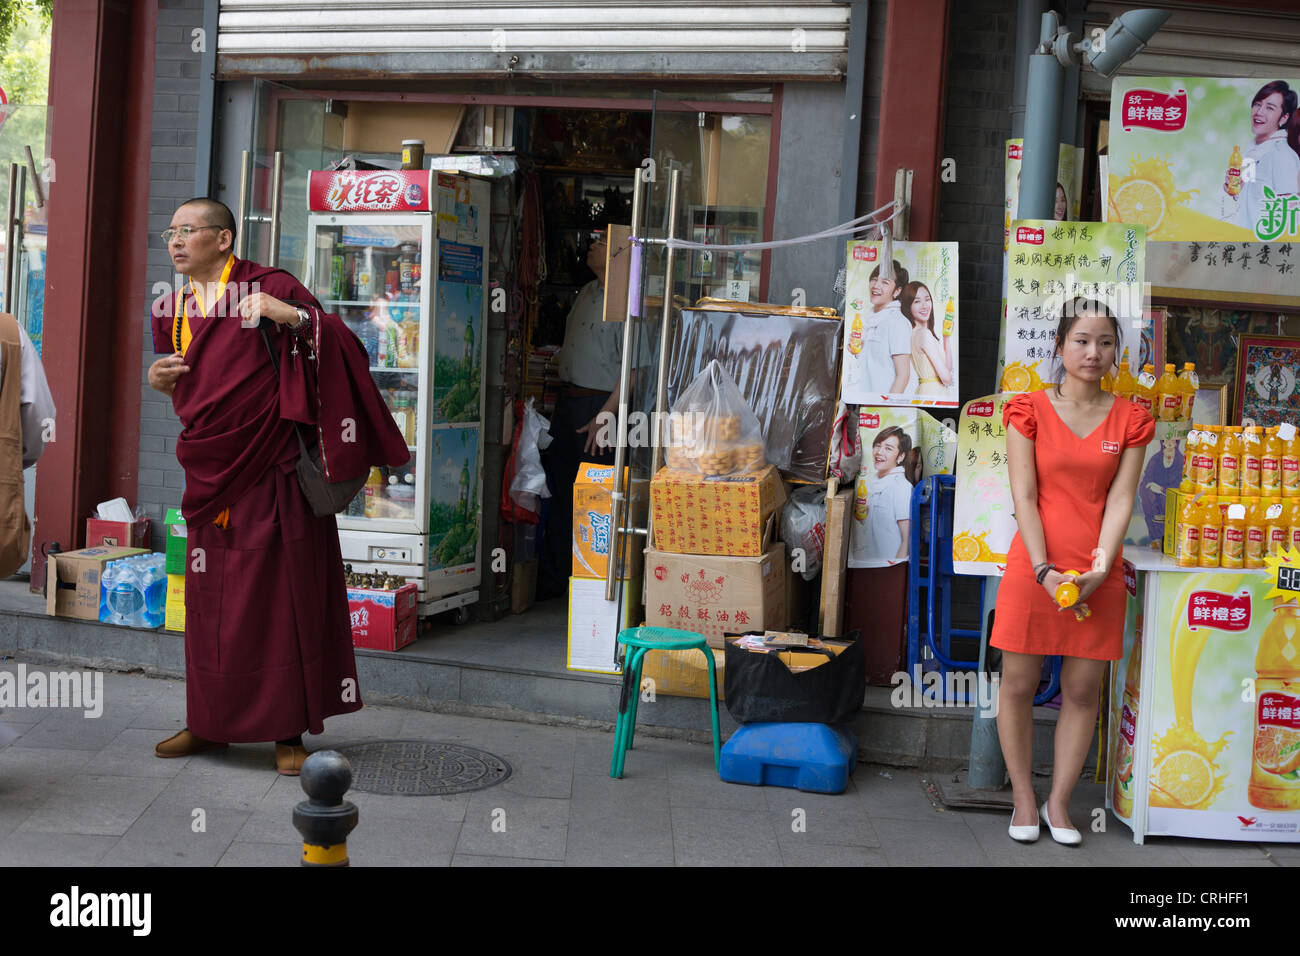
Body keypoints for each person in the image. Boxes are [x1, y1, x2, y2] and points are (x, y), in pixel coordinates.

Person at [147, 198, 408, 774]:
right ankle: (209, 721)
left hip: (272, 470)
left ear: (224, 238)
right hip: (212, 474)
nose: (176, 241)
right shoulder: (172, 309)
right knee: (210, 603)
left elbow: (344, 347)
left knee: (281, 595)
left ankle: (287, 730)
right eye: (172, 231)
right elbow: (193, 390)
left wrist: (291, 316)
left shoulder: (270, 287)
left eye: (189, 231)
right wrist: (156, 378)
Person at [993, 298, 1153, 846]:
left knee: (1083, 691)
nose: (1093, 352)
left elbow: (1121, 499)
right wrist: (1042, 570)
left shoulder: (1132, 419)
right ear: (1060, 347)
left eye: (1105, 341)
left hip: (1095, 573)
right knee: (1018, 684)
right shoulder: (1027, 410)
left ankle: (1058, 804)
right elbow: (1025, 494)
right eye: (1081, 341)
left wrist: (1101, 568)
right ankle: (1021, 797)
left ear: (1116, 350)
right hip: (1034, 567)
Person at [538, 230, 632, 599]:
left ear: (618, 255)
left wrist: (606, 416)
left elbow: (634, 370)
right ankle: (554, 580)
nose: (592, 245)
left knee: (595, 499)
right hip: (568, 404)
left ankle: (593, 585)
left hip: (599, 409)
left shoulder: (623, 301)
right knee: (560, 491)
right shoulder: (586, 293)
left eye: (602, 242)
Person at [1222, 80, 1300, 233]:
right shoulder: (1254, 150)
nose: (1259, 111)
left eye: (1270, 108)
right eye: (1257, 104)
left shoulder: (1281, 154)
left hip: (1264, 246)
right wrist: (1236, 190)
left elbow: (1289, 211)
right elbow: (1250, 199)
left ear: (1284, 118)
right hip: (1244, 240)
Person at [863, 426, 920, 562]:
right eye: (877, 446)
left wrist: (895, 567)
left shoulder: (901, 487)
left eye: (888, 448)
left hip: (887, 566)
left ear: (901, 456)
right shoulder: (871, 482)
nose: (879, 452)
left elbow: (906, 541)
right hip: (865, 561)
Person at [862, 260, 914, 396]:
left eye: (885, 282)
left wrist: (887, 408)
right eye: (874, 279)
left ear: (897, 291)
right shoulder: (870, 320)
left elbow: (903, 375)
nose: (876, 286)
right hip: (865, 401)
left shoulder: (897, 323)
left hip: (881, 409)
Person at [901, 281, 953, 399]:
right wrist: (947, 378)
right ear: (908, 306)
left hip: (926, 391)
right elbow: (947, 379)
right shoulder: (924, 334)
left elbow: (947, 370)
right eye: (917, 301)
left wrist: (946, 337)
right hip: (934, 393)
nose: (924, 306)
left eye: (927, 299)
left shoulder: (913, 334)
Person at [1139, 435, 1183, 544]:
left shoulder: (1181, 461)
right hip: (1155, 498)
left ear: (1176, 442)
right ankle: (1156, 538)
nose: (1169, 443)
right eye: (1166, 440)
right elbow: (1146, 479)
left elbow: (1181, 483)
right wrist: (1149, 487)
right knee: (1146, 493)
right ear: (1162, 442)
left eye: (1172, 440)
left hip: (1172, 496)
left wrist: (1162, 489)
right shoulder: (1155, 459)